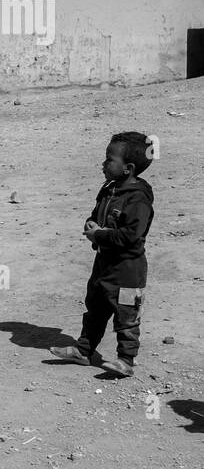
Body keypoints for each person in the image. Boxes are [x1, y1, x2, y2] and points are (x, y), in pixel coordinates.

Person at [51, 132, 155, 378]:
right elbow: (97, 214)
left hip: (129, 270)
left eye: (109, 159)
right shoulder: (109, 189)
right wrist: (91, 224)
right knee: (95, 308)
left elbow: (130, 236)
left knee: (127, 316)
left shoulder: (138, 198)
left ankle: (125, 360)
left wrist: (99, 235)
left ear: (127, 168)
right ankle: (83, 351)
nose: (103, 163)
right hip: (104, 265)